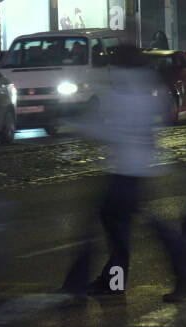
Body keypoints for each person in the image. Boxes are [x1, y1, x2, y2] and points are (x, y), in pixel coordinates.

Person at [60, 44, 163, 299]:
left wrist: (83, 127)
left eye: (112, 62)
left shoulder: (125, 93)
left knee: (109, 228)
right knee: (118, 231)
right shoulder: (143, 89)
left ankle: (83, 282)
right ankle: (109, 282)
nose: (109, 68)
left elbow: (116, 132)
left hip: (125, 172)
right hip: (135, 170)